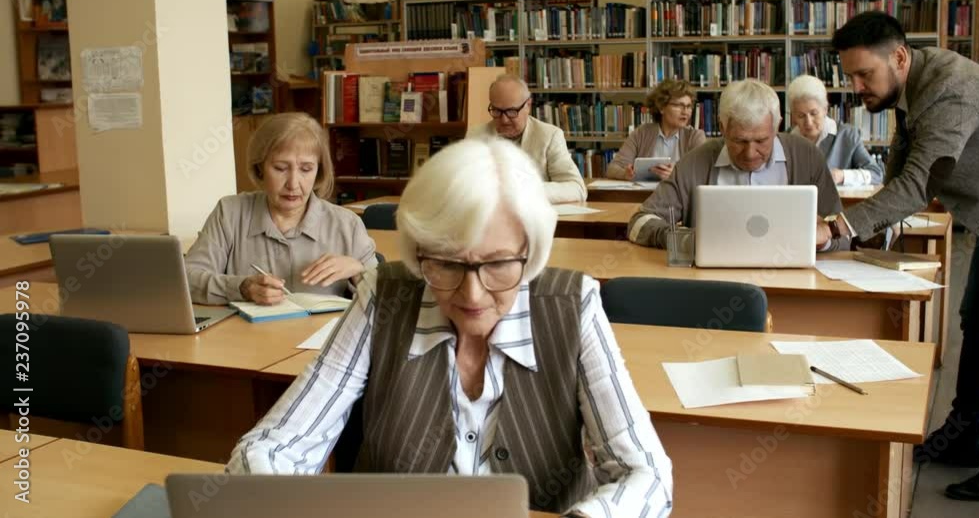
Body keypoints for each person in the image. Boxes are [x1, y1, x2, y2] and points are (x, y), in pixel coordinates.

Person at [226, 137, 674, 516]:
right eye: (445, 264)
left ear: (530, 251)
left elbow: (647, 474)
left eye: (498, 264)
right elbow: (272, 446)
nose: (472, 295)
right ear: (420, 251)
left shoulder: (573, 304)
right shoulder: (383, 294)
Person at [822, 11, 979, 502]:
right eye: (850, 76)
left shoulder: (949, 91)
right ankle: (964, 435)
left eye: (864, 75)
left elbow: (920, 183)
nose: (856, 86)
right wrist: (869, 230)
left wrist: (838, 228)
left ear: (899, 58)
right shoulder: (915, 81)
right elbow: (901, 161)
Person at [628, 79, 850, 252]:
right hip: (713, 282)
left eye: (762, 141)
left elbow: (845, 237)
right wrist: (685, 241)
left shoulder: (807, 156)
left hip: (793, 280)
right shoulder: (696, 161)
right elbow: (639, 224)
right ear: (722, 128)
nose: (750, 153)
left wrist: (822, 241)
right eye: (739, 141)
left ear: (777, 126)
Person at [185, 113, 376, 305]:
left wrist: (359, 272)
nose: (293, 184)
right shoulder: (229, 213)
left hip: (322, 335)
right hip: (247, 334)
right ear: (260, 167)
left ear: (320, 170)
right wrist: (241, 287)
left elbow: (388, 300)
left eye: (306, 169)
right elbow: (187, 279)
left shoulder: (347, 225)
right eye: (280, 168)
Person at [467, 74, 588, 203]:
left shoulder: (549, 136)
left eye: (512, 111)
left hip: (535, 218)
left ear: (528, 105)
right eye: (497, 111)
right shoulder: (475, 136)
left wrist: (525, 189)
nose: (504, 120)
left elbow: (577, 189)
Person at [787, 74, 884, 186]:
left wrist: (842, 176)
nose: (808, 122)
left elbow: (876, 174)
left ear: (825, 109)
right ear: (793, 116)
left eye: (814, 113)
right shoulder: (787, 139)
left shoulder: (847, 136)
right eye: (801, 115)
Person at [606, 79, 707, 181]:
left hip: (680, 196)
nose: (685, 112)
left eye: (688, 106)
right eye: (678, 105)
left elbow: (703, 172)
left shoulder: (695, 136)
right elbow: (612, 168)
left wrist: (676, 174)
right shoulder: (641, 133)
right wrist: (625, 174)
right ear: (662, 107)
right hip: (645, 195)